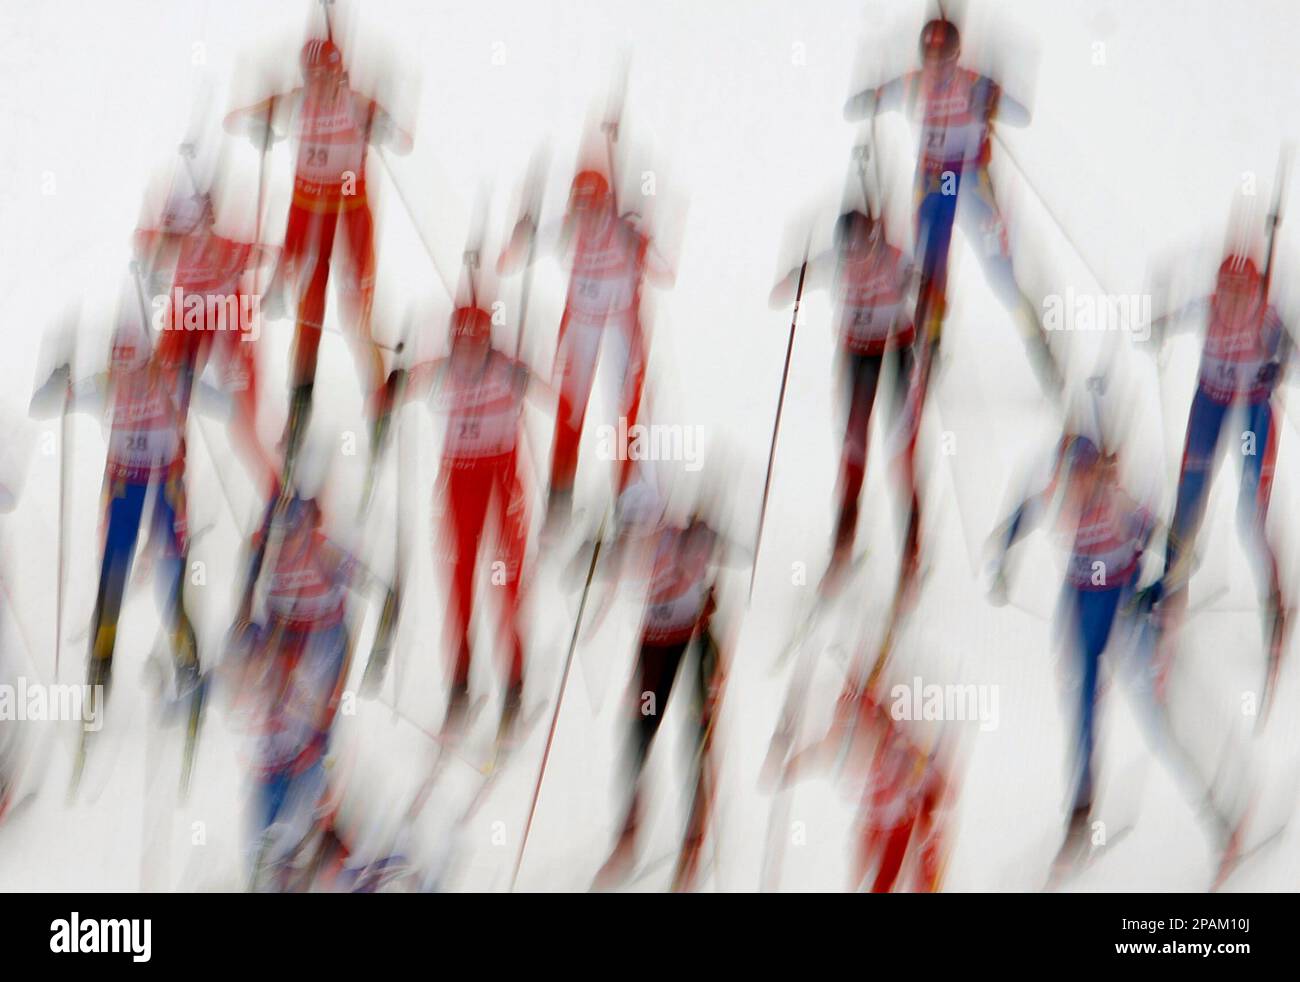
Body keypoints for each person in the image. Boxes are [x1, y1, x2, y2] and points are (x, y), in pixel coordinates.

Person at [498, 169, 673, 529]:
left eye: (592, 208)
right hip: (581, 322)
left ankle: (632, 495)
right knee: (570, 409)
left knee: (627, 408)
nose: (586, 217)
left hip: (621, 323)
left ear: (606, 204)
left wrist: (642, 242)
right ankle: (560, 499)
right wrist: (522, 233)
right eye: (579, 208)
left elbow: (665, 272)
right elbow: (509, 261)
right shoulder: (567, 227)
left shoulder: (624, 230)